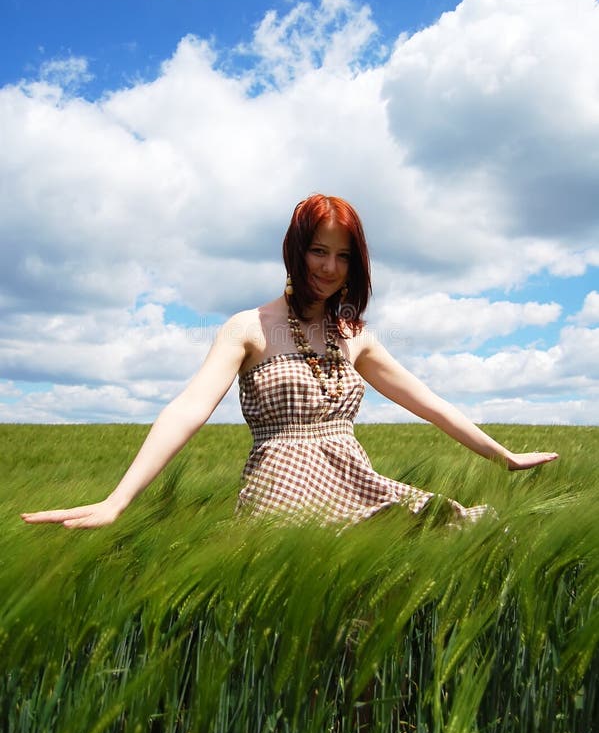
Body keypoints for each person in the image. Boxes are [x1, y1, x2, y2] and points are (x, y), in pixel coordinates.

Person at [21, 194, 558, 530]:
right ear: (295, 251)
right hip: (283, 494)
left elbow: (431, 405)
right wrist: (118, 499)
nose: (329, 267)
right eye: (318, 251)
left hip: (353, 482)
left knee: (442, 528)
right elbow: (188, 409)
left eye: (343, 255)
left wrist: (502, 456)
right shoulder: (246, 328)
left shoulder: (356, 338)